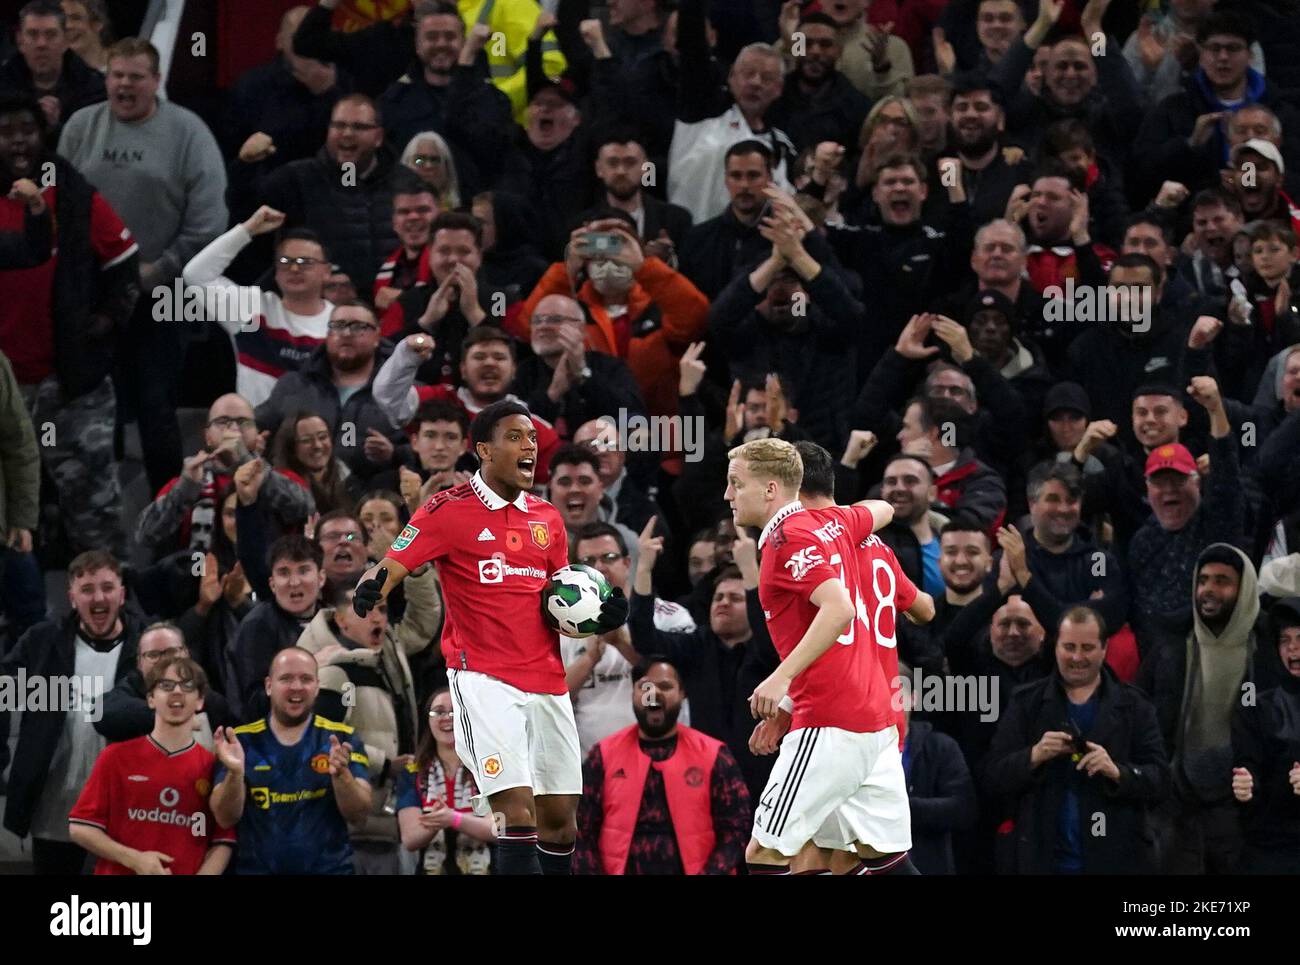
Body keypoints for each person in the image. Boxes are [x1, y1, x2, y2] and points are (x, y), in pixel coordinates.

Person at [350, 400, 629, 875]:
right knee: (514, 810)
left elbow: (559, 601)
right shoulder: (445, 511)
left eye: (533, 440)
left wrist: (597, 613)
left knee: (560, 820)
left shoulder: (548, 518)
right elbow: (395, 561)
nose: (529, 448)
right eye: (516, 438)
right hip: (482, 679)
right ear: (483, 449)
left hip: (547, 679)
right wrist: (374, 583)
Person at [724, 437, 917, 874]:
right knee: (879, 860)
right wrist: (788, 704)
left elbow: (840, 610)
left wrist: (779, 680)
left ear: (771, 489)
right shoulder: (835, 524)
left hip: (832, 720)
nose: (728, 495)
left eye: (736, 484)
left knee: (767, 853)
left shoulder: (789, 537)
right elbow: (883, 509)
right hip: (875, 721)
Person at [59, 37, 228, 495]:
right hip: (92, 293)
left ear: (156, 81)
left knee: (156, 403)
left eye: (136, 76)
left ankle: (167, 507)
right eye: (116, 75)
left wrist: (157, 270)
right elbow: (61, 202)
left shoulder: (189, 133)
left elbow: (210, 222)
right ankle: (98, 510)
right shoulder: (80, 126)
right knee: (95, 403)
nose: (124, 85)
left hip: (163, 293)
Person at [0, 93, 139, 559]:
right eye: (6, 132)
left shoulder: (73, 193)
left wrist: (104, 322)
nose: (18, 141)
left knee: (95, 510)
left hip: (70, 386)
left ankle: (117, 607)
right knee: (9, 516)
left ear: (42, 135)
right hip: (5, 383)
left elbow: (125, 265)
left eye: (27, 130)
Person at [983, 606, 1170, 874]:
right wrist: (1034, 755)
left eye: (1087, 648)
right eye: (1069, 646)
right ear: (1055, 646)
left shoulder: (1136, 706)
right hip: (1043, 860)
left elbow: (1161, 781)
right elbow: (993, 776)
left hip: (1117, 860)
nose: (1077, 657)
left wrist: (1119, 772)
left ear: (1105, 648)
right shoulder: (1026, 703)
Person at [0, 551, 145, 873]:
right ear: (72, 597)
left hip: (128, 809)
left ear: (122, 594)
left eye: (107, 587)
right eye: (88, 589)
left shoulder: (146, 645)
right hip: (55, 810)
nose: (99, 597)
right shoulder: (41, 642)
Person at [1137, 543, 1274, 874]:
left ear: (1244, 591)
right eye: (1204, 580)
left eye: (1222, 581)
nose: (1209, 590)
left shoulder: (1267, 649)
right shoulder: (1171, 644)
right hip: (1174, 803)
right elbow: (1138, 713)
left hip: (1242, 809)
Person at [298, 569, 441, 873]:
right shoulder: (331, 670)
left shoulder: (387, 652)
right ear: (340, 620)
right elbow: (323, 738)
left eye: (382, 609)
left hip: (390, 815)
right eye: (366, 609)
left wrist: (418, 571)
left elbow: (425, 620)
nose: (377, 618)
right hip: (353, 822)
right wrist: (386, 763)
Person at [574, 657, 750, 874]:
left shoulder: (715, 755)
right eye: (645, 687)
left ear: (682, 693)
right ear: (632, 693)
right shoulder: (602, 756)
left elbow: (736, 830)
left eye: (665, 686)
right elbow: (582, 833)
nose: (653, 694)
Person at [210, 647, 373, 875]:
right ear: (269, 686)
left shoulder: (342, 738)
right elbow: (225, 818)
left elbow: (359, 816)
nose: (296, 686)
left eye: (306, 679)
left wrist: (342, 777)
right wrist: (235, 774)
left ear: (317, 687)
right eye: (286, 678)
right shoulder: (240, 741)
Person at [68, 655, 235, 875]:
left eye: (187, 685)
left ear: (200, 700)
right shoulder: (115, 757)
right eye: (166, 685)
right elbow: (80, 827)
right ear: (151, 699)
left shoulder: (212, 765)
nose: (177, 691)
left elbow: (222, 840)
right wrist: (135, 859)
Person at [563, 521, 695, 756]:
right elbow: (551, 697)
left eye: (609, 557)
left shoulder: (671, 616)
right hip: (592, 769)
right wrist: (591, 657)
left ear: (627, 563)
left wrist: (621, 643)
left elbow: (682, 683)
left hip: (665, 759)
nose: (599, 568)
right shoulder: (562, 629)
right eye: (588, 562)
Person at [182, 207, 334, 407]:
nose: (294, 268)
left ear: (327, 271)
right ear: (276, 272)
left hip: (319, 433)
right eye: (285, 261)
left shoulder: (340, 321)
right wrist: (247, 230)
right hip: (258, 432)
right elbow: (196, 275)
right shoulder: (251, 308)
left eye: (305, 262)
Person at [135, 393, 314, 557]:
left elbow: (307, 512)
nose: (234, 429)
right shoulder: (190, 478)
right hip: (200, 581)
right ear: (207, 436)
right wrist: (185, 490)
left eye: (243, 422)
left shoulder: (280, 478)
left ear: (257, 432)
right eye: (223, 422)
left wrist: (245, 461)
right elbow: (145, 536)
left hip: (267, 583)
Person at [255, 301, 404, 481]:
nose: (347, 334)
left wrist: (393, 454)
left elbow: (422, 448)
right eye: (338, 326)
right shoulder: (293, 386)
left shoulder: (402, 390)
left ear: (377, 337)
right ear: (327, 334)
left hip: (374, 500)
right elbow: (257, 427)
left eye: (358, 327)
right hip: (300, 496)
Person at [1231, 597, 1300, 874]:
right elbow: (1247, 763)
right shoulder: (1257, 707)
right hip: (1269, 846)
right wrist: (1245, 787)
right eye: (1285, 640)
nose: (1293, 647)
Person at [396, 688, 498, 874]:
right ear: (428, 720)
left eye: (455, 711)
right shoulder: (412, 772)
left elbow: (498, 829)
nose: (447, 717)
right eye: (439, 712)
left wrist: (453, 818)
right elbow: (410, 838)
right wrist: (440, 820)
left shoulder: (489, 766)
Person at [228, 534, 326, 720]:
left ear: (321, 578)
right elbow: (253, 704)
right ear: (272, 584)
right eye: (284, 572)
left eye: (303, 571)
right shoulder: (256, 627)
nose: (294, 582)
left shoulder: (332, 620)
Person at [94, 621, 233, 748]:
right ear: (139, 662)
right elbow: (100, 712)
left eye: (172, 652)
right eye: (153, 655)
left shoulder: (209, 700)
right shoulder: (131, 687)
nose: (164, 661)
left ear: (186, 654)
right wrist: (162, 716)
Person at [0, 0, 105, 144]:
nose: (41, 44)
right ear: (20, 41)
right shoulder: (3, 84)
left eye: (50, 35)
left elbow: (91, 146)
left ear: (66, 40)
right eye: (33, 34)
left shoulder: (94, 87)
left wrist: (56, 128)